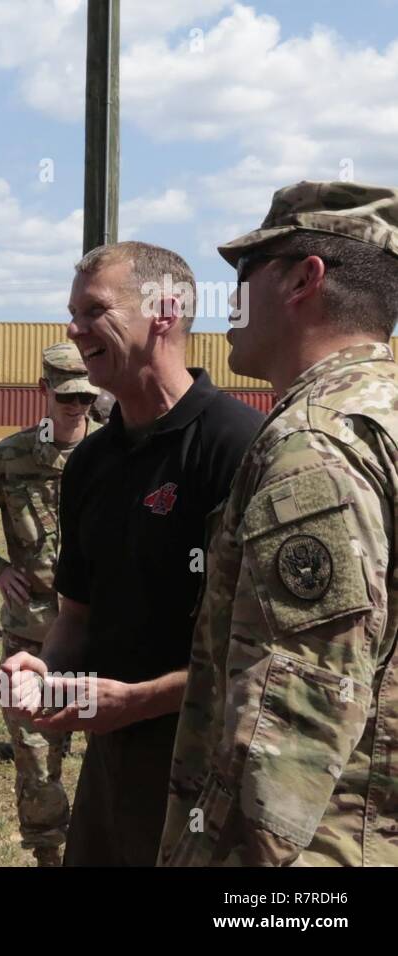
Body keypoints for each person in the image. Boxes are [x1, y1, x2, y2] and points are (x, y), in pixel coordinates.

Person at [0, 240, 263, 866]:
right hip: (110, 771)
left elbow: (265, 660)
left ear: (164, 310)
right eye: (73, 311)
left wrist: (137, 701)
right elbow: (78, 616)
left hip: (215, 772)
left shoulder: (240, 446)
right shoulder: (91, 462)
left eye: (94, 310)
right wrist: (47, 672)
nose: (74, 328)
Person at [159, 182, 398, 866]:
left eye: (244, 275)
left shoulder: (312, 444)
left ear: (303, 279)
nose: (229, 297)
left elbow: (294, 719)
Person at [0, 342, 99, 866]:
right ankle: (48, 858)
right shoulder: (9, 457)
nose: (76, 406)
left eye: (85, 396)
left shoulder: (117, 454)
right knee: (36, 760)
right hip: (31, 631)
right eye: (65, 396)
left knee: (114, 762)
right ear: (44, 391)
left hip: (106, 636)